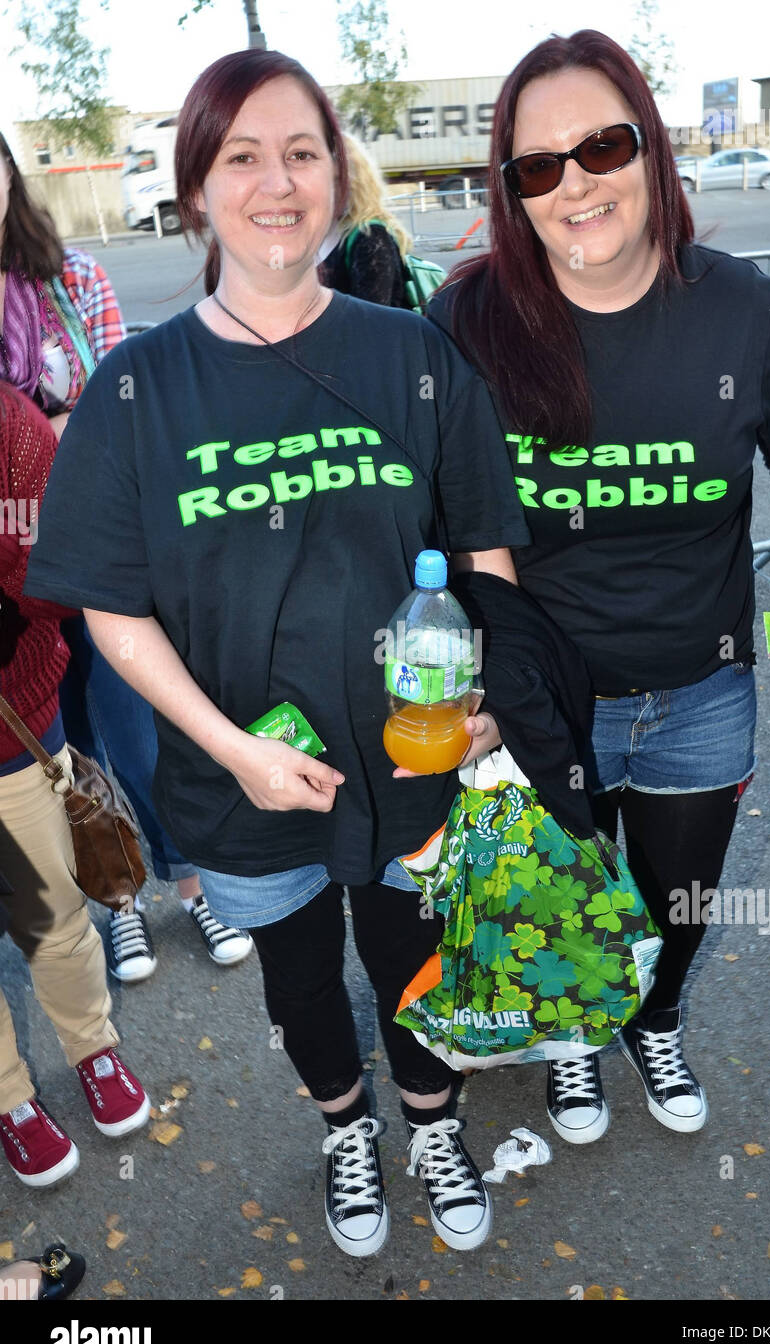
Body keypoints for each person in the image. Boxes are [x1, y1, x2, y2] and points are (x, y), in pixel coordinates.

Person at [24, 49, 531, 1257]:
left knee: (414, 957)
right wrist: (229, 748)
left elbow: (485, 549)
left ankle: (430, 1117)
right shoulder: (140, 387)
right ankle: (346, 1128)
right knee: (302, 979)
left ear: (337, 177)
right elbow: (111, 609)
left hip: (416, 756)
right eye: (239, 155)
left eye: (302, 151)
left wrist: (490, 701)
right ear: (195, 188)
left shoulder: (409, 355)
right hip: (243, 781)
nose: (276, 181)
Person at [427, 30, 770, 1141]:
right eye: (537, 165)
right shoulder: (465, 323)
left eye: (601, 146)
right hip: (539, 690)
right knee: (561, 892)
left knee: (682, 898)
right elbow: (428, 499)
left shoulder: (741, 310)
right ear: (512, 195)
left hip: (699, 689)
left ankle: (651, 1017)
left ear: (648, 151)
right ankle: (573, 1033)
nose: (575, 182)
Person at [0, 130, 252, 979]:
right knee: (60, 757)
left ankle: (192, 881)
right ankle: (119, 901)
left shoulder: (71, 279)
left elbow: (124, 413)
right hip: (13, 584)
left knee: (137, 736)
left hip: (105, 552)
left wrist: (47, 436)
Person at [0, 380, 149, 1187]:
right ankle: (10, 1099)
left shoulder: (10, 424)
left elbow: (63, 567)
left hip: (14, 727)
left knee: (53, 918)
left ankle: (93, 1048)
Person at [319, 133, 412, 307]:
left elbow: (372, 319)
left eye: (330, 181)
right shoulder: (322, 232)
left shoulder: (371, 236)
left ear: (352, 182)